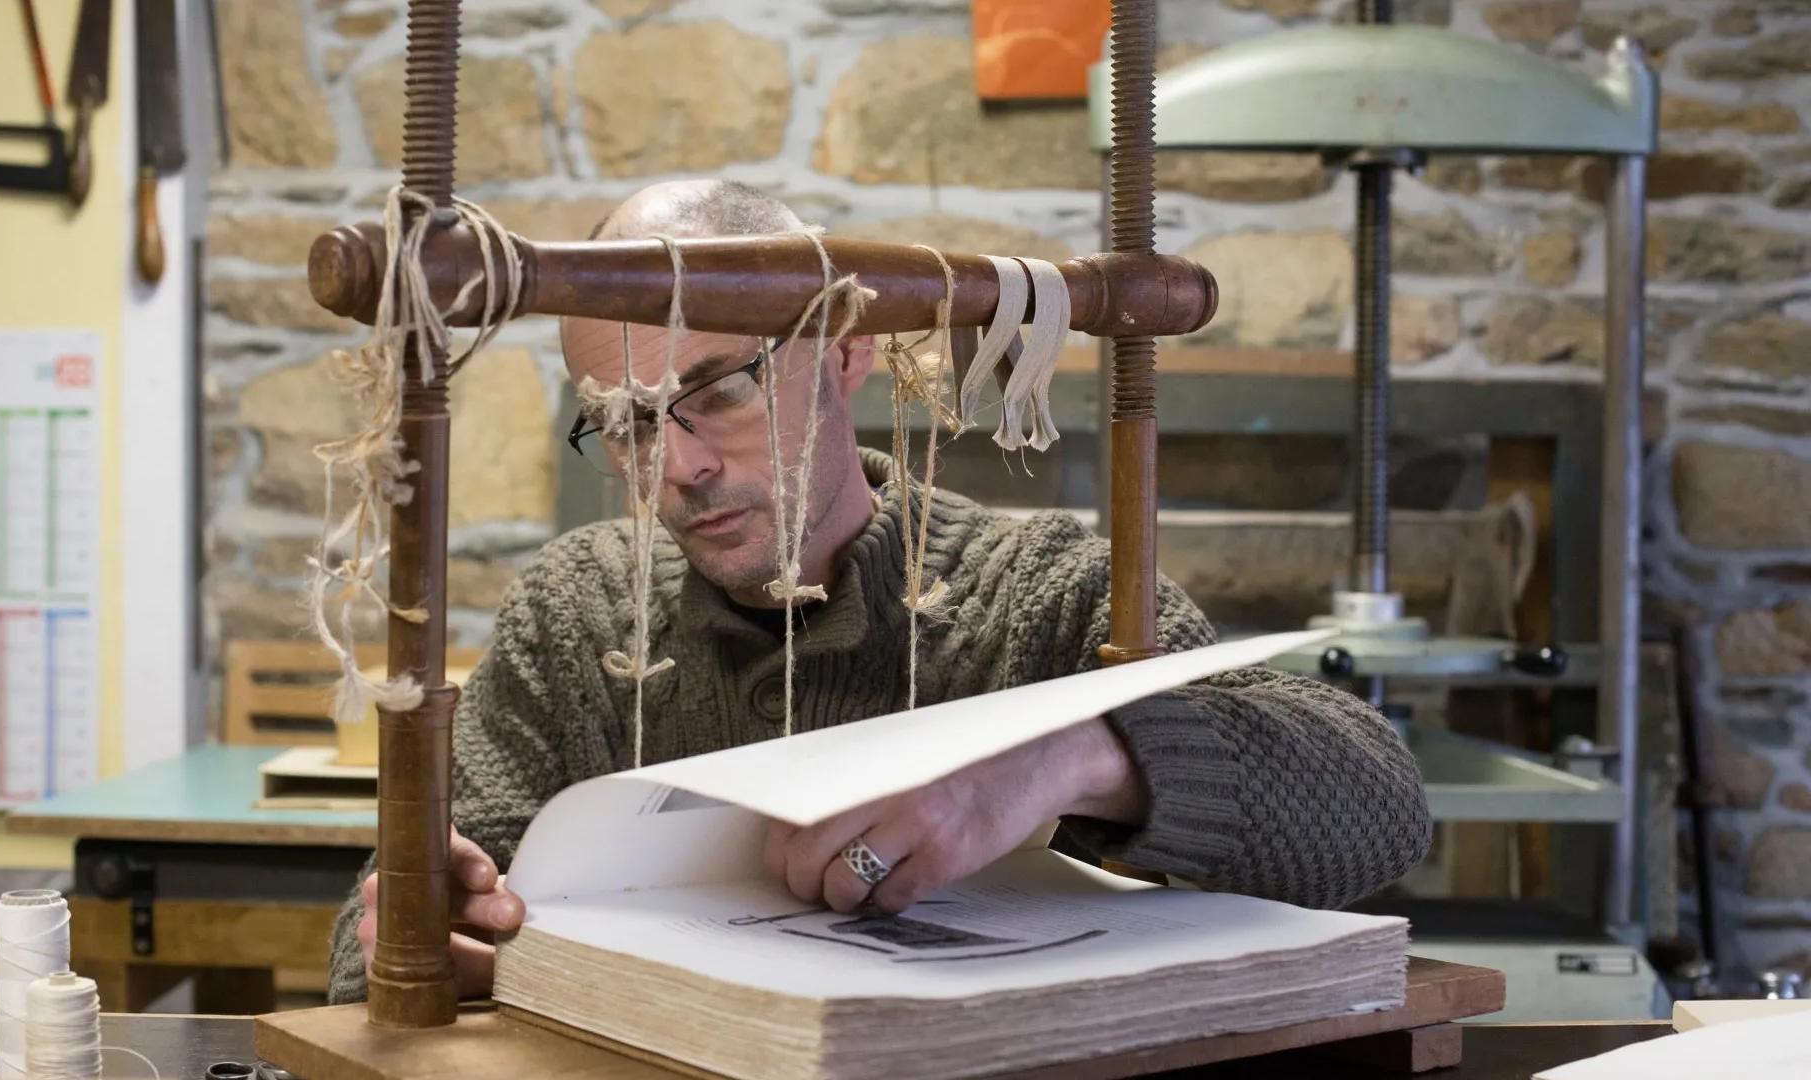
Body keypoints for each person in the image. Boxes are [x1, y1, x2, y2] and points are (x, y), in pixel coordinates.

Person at [327, 179, 1430, 1004]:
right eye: (624, 423)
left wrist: (1063, 760)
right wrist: (419, 931)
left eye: (713, 393)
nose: (677, 466)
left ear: (845, 352)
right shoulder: (577, 616)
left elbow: (1382, 809)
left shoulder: (1041, 594)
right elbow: (373, 947)